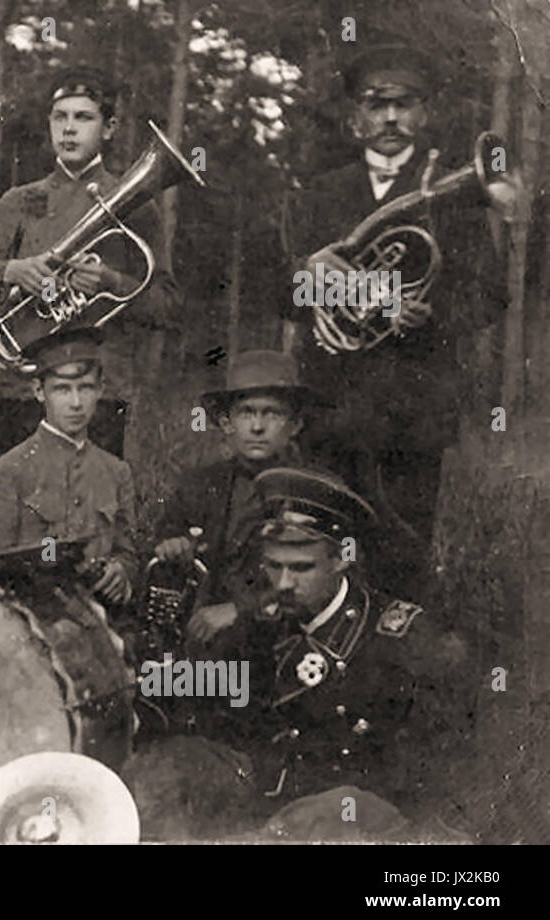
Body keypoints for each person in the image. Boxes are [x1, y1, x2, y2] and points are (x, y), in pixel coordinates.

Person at [124, 467, 469, 841]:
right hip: (268, 804)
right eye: (274, 566)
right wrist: (151, 680)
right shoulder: (260, 623)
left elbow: (435, 763)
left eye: (301, 568)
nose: (284, 584)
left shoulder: (399, 638)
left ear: (342, 559)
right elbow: (226, 704)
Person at [284, 42, 515, 600]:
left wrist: (425, 314)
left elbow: (490, 295)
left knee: (401, 556)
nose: (390, 117)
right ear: (354, 118)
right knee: (319, 551)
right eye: (375, 103)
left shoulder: (454, 198)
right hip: (330, 408)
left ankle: (393, 672)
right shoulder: (319, 194)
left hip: (413, 414)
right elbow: (287, 290)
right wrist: (368, 294)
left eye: (405, 103)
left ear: (425, 114)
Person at [0, 66, 179, 458]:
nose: (69, 129)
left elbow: (169, 306)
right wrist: (10, 270)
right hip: (26, 389)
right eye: (60, 117)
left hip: (100, 391)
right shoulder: (19, 201)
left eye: (83, 117)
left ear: (109, 128)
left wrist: (110, 282)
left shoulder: (138, 204)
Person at [152, 350, 325, 646]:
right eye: (246, 412)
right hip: (203, 650)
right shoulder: (198, 484)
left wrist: (241, 609)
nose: (257, 427)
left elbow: (328, 584)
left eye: (272, 413)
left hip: (284, 648)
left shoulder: (318, 495)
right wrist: (171, 546)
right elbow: (163, 542)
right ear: (228, 423)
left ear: (295, 425)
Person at [0, 328, 136, 608]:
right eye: (62, 389)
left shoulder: (117, 471)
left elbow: (128, 553)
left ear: (101, 390)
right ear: (38, 392)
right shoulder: (6, 473)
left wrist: (122, 570)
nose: (76, 403)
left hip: (103, 622)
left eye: (86, 388)